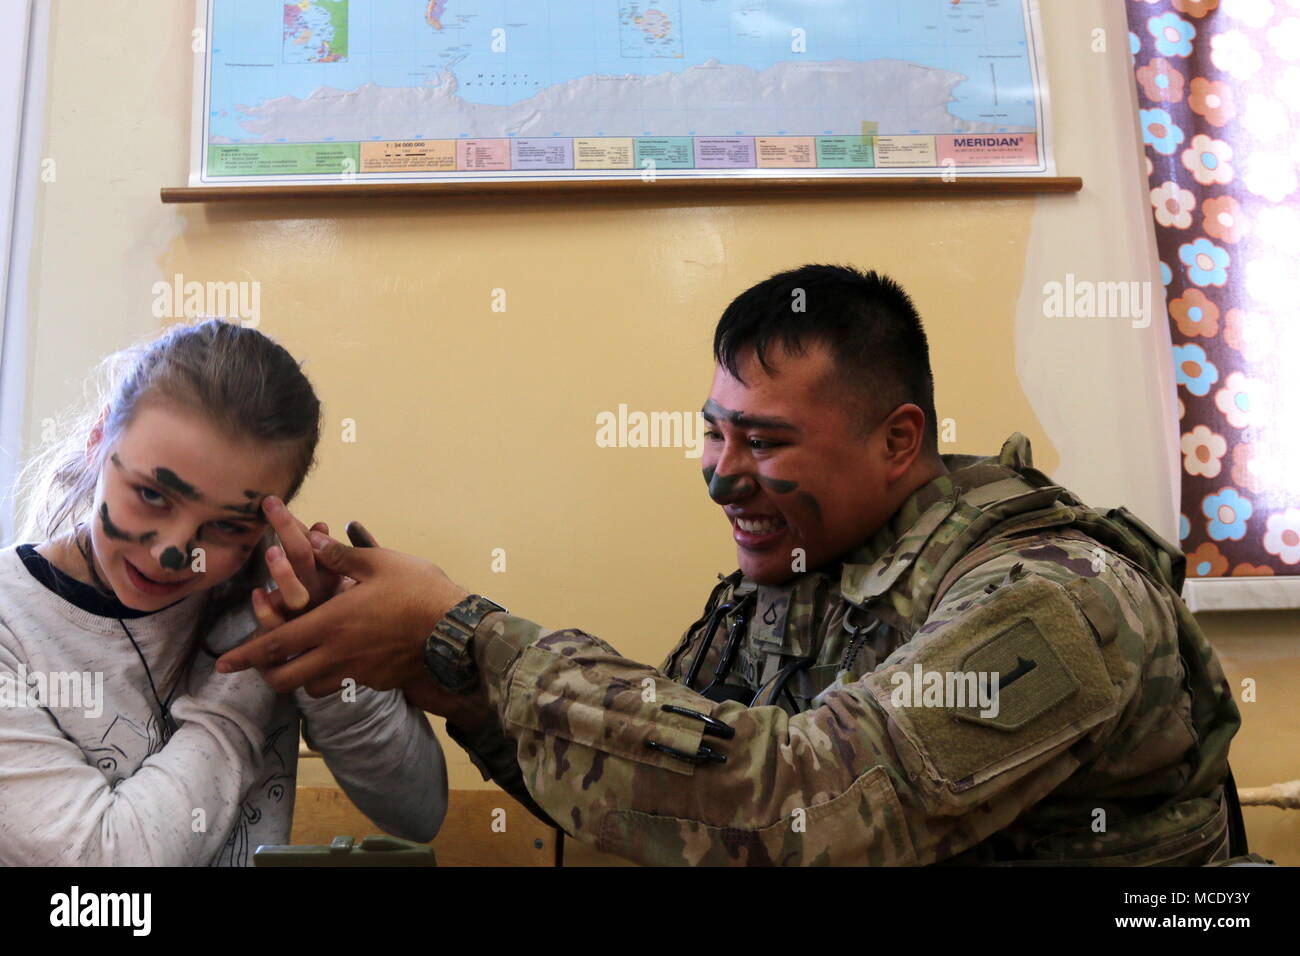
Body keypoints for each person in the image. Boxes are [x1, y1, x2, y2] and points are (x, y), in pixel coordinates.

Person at [219, 265, 1243, 866]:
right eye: (713, 433)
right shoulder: (802, 569)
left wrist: (470, 629)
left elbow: (797, 804)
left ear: (898, 440)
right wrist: (445, 677)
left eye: (765, 441)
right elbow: (675, 808)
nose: (722, 476)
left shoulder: (1054, 594)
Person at [0, 319, 447, 865]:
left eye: (228, 527)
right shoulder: (10, 620)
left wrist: (320, 647)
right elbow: (102, 875)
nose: (173, 551)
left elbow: (418, 812)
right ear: (98, 442)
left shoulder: (282, 598)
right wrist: (261, 664)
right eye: (151, 494)